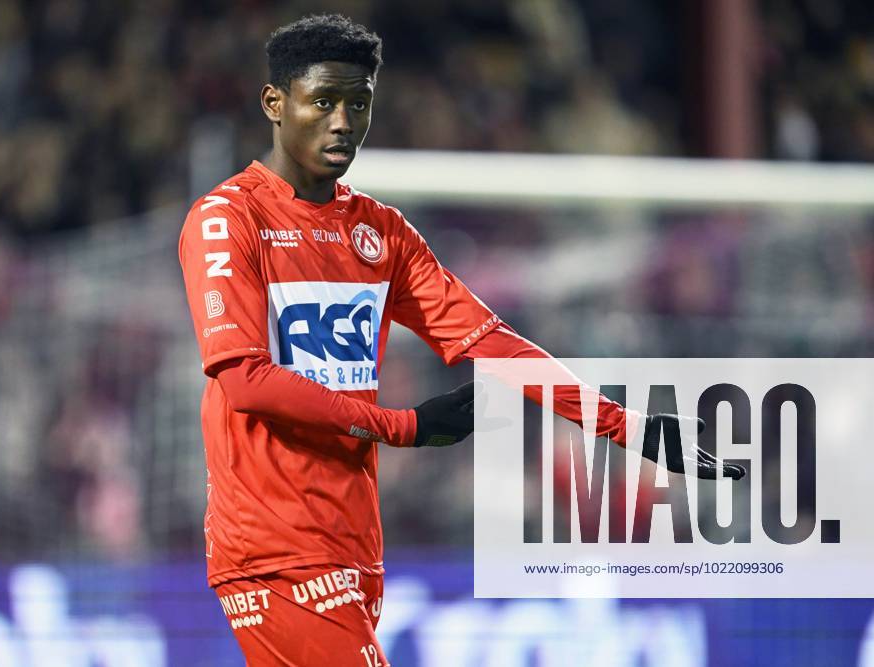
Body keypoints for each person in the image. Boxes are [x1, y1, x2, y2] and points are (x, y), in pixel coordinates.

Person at [177, 14, 744, 666]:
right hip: (274, 544)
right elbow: (244, 380)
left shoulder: (381, 234)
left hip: (350, 539)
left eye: (358, 104)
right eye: (323, 102)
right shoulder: (228, 217)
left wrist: (625, 426)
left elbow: (493, 344)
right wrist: (402, 425)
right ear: (275, 104)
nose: (343, 123)